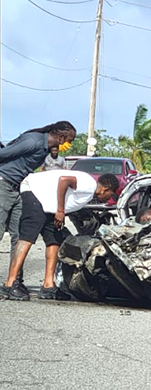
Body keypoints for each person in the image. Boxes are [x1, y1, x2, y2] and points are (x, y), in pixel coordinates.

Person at [1, 170, 117, 301]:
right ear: (106, 189)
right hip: (35, 192)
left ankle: (48, 285)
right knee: (27, 237)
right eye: (111, 195)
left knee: (54, 239)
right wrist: (60, 210)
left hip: (49, 204)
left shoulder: (89, 194)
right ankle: (10, 284)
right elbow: (64, 180)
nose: (109, 198)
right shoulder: (89, 184)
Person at [0, 121, 77, 300]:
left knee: (19, 235)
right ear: (61, 137)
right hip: (3, 183)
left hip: (17, 187)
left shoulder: (45, 150)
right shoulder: (33, 141)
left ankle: (13, 282)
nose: (69, 144)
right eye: (70, 140)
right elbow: (3, 154)